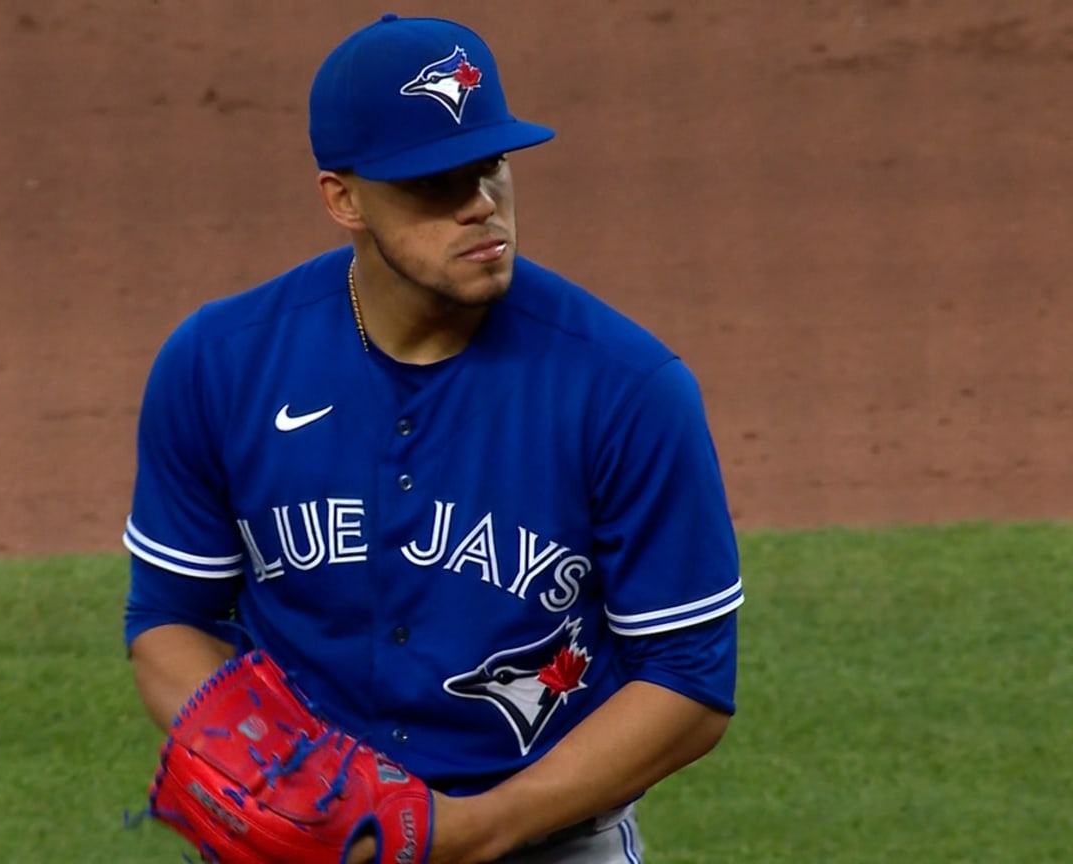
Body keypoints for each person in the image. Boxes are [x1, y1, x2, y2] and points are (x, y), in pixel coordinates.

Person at [123, 13, 742, 864]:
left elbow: (690, 679)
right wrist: (282, 776)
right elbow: (168, 616)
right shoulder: (220, 365)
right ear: (342, 198)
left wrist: (475, 830)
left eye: (489, 166)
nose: (477, 205)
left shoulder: (625, 388)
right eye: (430, 183)